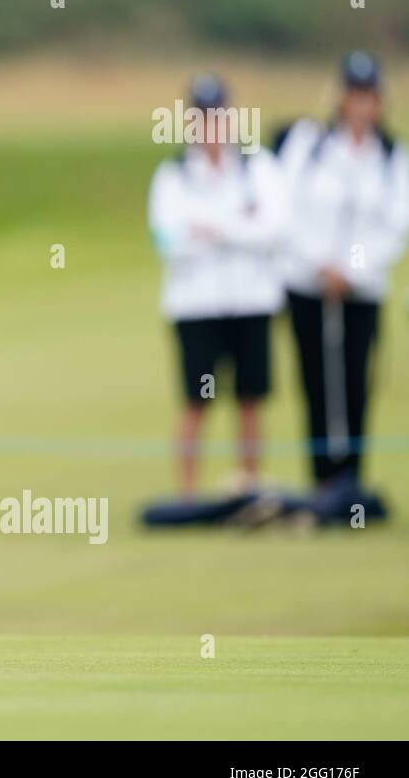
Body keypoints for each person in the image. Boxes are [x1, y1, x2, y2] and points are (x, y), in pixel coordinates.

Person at [148, 73, 288, 498]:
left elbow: (274, 229)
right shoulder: (173, 175)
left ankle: (248, 486)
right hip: (196, 305)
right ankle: (188, 495)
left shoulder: (256, 166)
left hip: (250, 300)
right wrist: (237, 227)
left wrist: (217, 229)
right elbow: (167, 239)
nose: (211, 127)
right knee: (197, 399)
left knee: (249, 398)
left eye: (218, 116)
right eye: (202, 118)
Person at [273, 52, 409, 486]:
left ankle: (351, 481)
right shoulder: (308, 144)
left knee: (354, 381)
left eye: (369, 97)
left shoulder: (391, 156)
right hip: (308, 283)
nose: (361, 106)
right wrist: (320, 264)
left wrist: (352, 269)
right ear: (340, 98)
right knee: (315, 380)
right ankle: (322, 480)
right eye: (354, 96)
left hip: (361, 287)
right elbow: (286, 208)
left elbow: (396, 224)